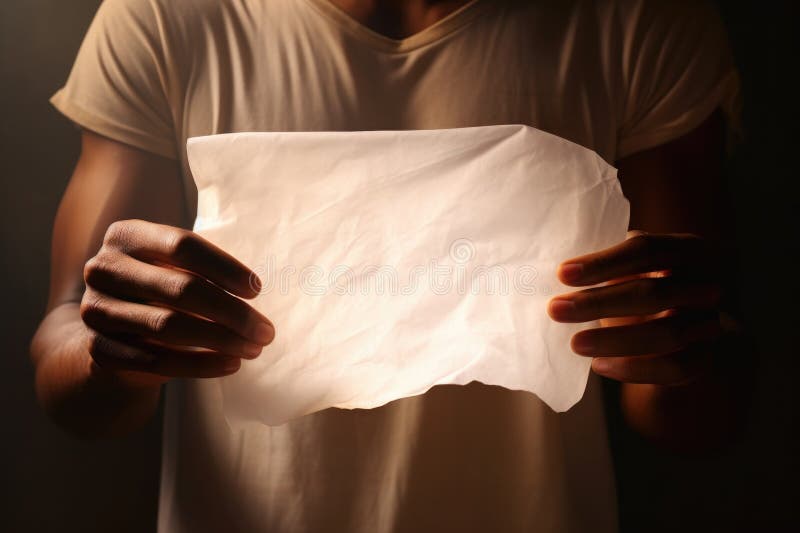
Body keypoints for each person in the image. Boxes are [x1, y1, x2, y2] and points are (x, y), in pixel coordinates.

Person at [30, 0, 746, 531]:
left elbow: (687, 408)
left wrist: (686, 351)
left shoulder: (639, 18)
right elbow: (69, 373)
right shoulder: (167, 15)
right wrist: (109, 347)